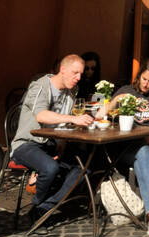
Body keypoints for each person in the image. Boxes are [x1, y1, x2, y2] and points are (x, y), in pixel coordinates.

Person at [9, 54, 92, 223]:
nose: (78, 78)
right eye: (75, 73)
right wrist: (73, 119)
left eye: (81, 74)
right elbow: (41, 115)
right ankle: (38, 204)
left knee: (84, 168)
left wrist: (63, 141)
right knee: (51, 168)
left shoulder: (71, 91)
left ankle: (43, 209)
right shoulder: (40, 86)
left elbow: (63, 123)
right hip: (27, 144)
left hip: (52, 144)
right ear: (62, 70)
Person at [106, 59, 149, 237]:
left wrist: (147, 137)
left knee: (143, 154)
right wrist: (116, 101)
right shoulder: (126, 91)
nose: (146, 84)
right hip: (127, 146)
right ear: (139, 76)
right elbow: (100, 115)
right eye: (144, 79)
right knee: (142, 154)